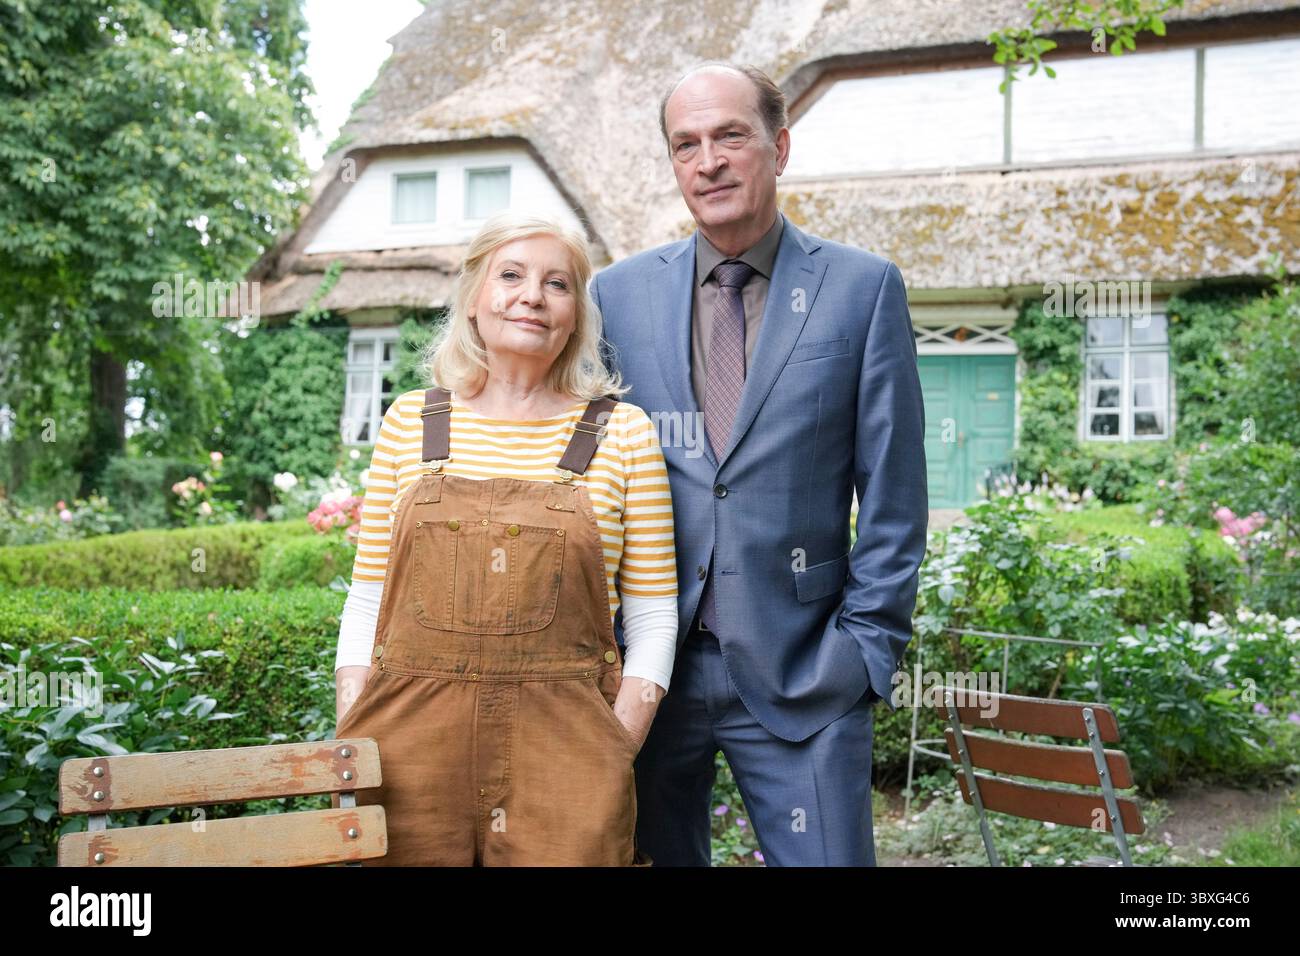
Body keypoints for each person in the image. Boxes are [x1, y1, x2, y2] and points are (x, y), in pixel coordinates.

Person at [590, 62, 928, 866]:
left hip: (807, 672)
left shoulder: (862, 289)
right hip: (645, 678)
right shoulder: (618, 295)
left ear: (779, 146)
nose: (708, 161)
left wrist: (863, 649)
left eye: (729, 136)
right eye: (686, 145)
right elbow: (580, 473)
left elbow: (895, 493)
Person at [334, 212, 678, 865]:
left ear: (577, 315)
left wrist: (613, 747)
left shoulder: (624, 432)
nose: (532, 296)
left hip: (568, 754)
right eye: (511, 275)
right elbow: (366, 598)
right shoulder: (412, 421)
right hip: (404, 753)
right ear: (472, 300)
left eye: (557, 284)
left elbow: (655, 618)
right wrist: (356, 726)